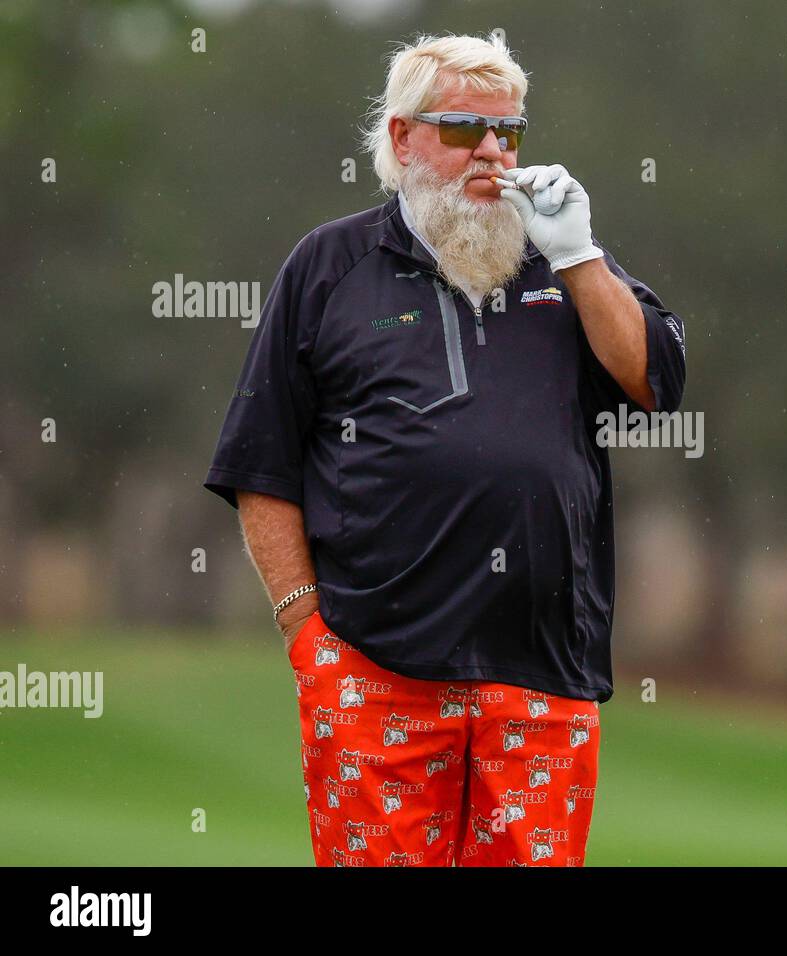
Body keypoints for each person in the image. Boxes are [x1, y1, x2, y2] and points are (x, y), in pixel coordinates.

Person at [202, 32, 686, 867]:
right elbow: (261, 463)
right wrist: (305, 631)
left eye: (510, 131)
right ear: (402, 137)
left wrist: (579, 255)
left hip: (542, 675)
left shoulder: (562, 257)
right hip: (373, 670)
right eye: (465, 128)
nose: (492, 150)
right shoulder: (329, 265)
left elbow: (655, 381)